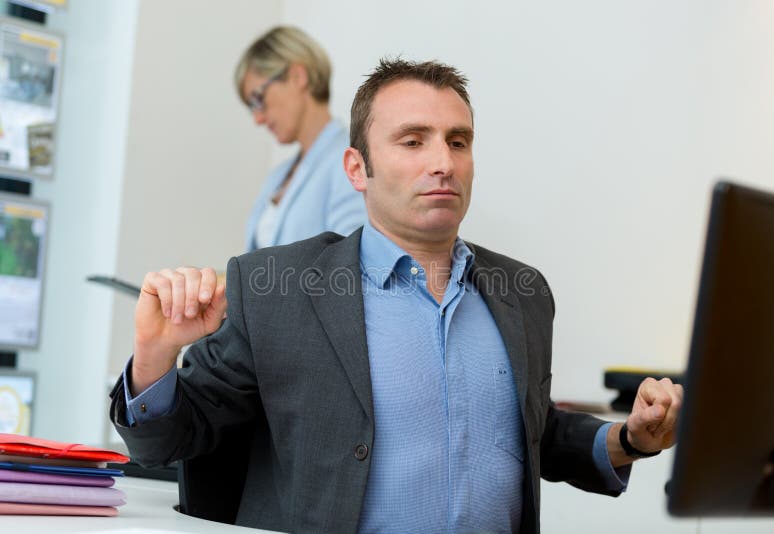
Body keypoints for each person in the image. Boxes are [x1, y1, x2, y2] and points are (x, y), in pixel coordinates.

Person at [110, 59, 683, 533]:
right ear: (358, 168)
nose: (443, 163)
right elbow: (171, 442)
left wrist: (629, 438)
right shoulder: (276, 289)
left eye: (458, 142)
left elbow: (536, 436)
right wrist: (153, 360)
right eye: (413, 141)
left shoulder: (524, 293)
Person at [236, 26, 365, 250]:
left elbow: (349, 261)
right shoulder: (278, 176)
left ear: (297, 76)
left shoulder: (350, 162)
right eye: (251, 108)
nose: (257, 118)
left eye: (258, 98)